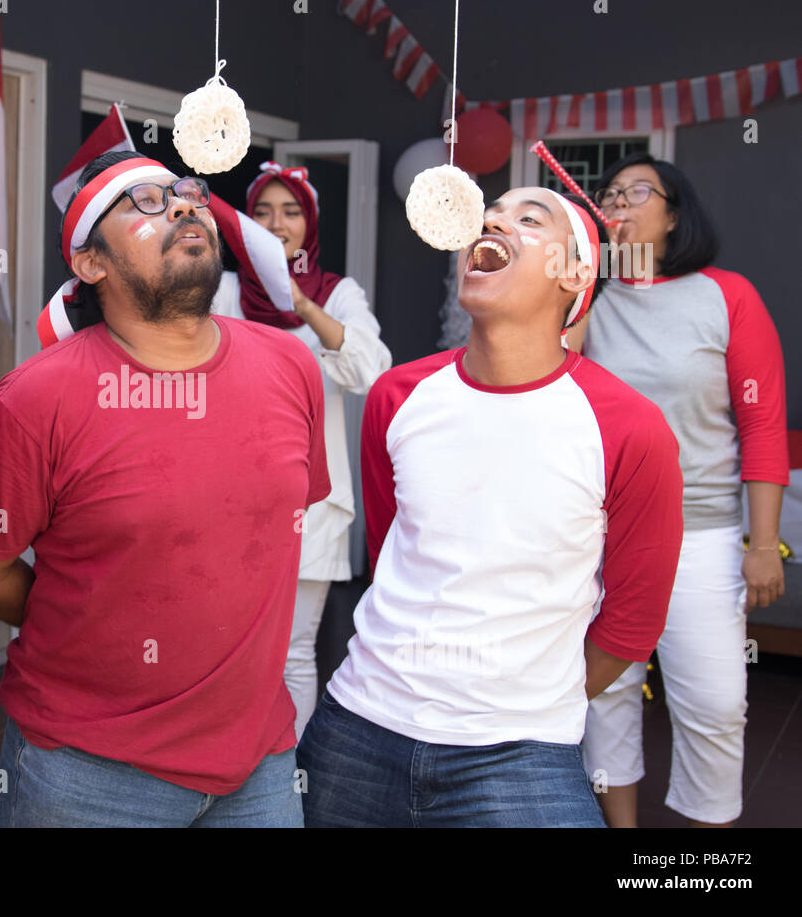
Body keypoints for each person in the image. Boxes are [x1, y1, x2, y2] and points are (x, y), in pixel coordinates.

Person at [0, 150, 331, 828]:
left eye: (185, 195)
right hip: (88, 771)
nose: (183, 207)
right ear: (91, 264)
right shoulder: (35, 401)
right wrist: (83, 625)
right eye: (142, 203)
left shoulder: (290, 365)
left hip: (262, 762)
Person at [297, 185, 684, 827]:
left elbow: (633, 623)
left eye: (529, 219)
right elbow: (392, 550)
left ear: (576, 274)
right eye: (488, 217)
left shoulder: (630, 429)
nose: (494, 224)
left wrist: (519, 695)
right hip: (357, 730)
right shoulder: (398, 396)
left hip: (521, 754)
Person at [577, 154, 789, 828]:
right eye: (610, 193)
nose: (621, 200)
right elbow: (558, 385)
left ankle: (704, 843)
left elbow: (761, 422)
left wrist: (763, 544)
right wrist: (584, 281)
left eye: (639, 191)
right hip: (605, 533)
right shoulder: (586, 296)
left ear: (673, 214)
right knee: (604, 696)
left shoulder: (727, 296)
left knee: (717, 703)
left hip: (702, 532)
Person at [211, 162, 391, 740]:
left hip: (313, 499)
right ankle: (231, 760)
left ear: (309, 223)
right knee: (225, 643)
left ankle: (290, 777)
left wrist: (303, 305)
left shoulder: (338, 293)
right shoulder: (225, 288)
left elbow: (371, 368)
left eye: (290, 212)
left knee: (292, 652)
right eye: (262, 212)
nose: (276, 224)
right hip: (227, 494)